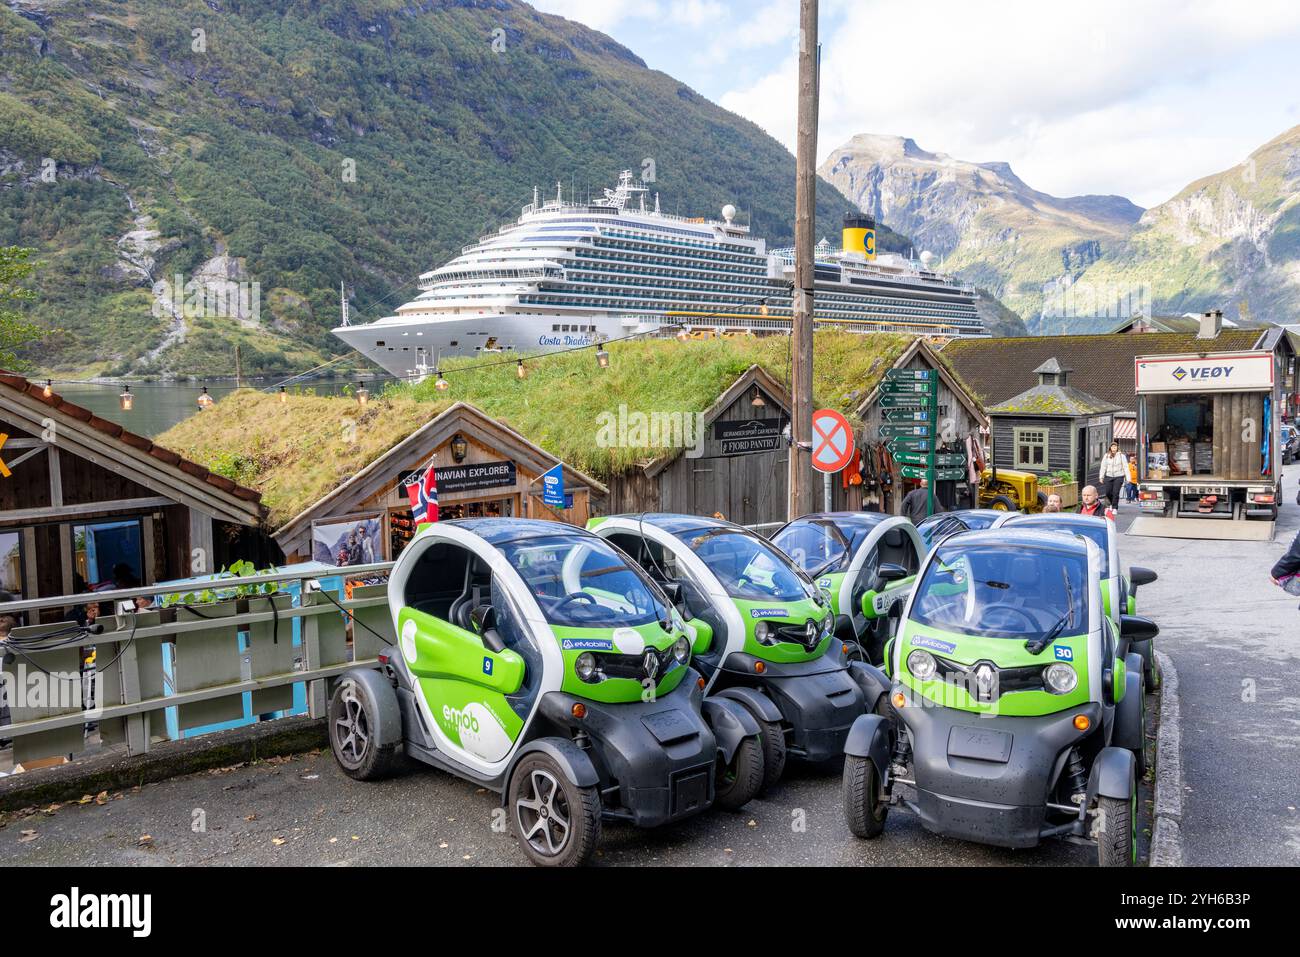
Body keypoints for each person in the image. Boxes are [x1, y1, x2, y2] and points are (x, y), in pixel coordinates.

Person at [1099, 442, 1128, 509]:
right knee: (1108, 492)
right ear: (1110, 448)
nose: (1114, 448)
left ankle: (1115, 508)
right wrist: (1101, 477)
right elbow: (1103, 467)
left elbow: (1126, 467)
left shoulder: (1121, 456)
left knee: (1115, 493)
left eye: (1115, 447)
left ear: (1117, 448)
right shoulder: (1106, 456)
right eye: (1112, 447)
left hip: (1119, 476)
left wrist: (1128, 478)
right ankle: (1112, 503)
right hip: (1109, 476)